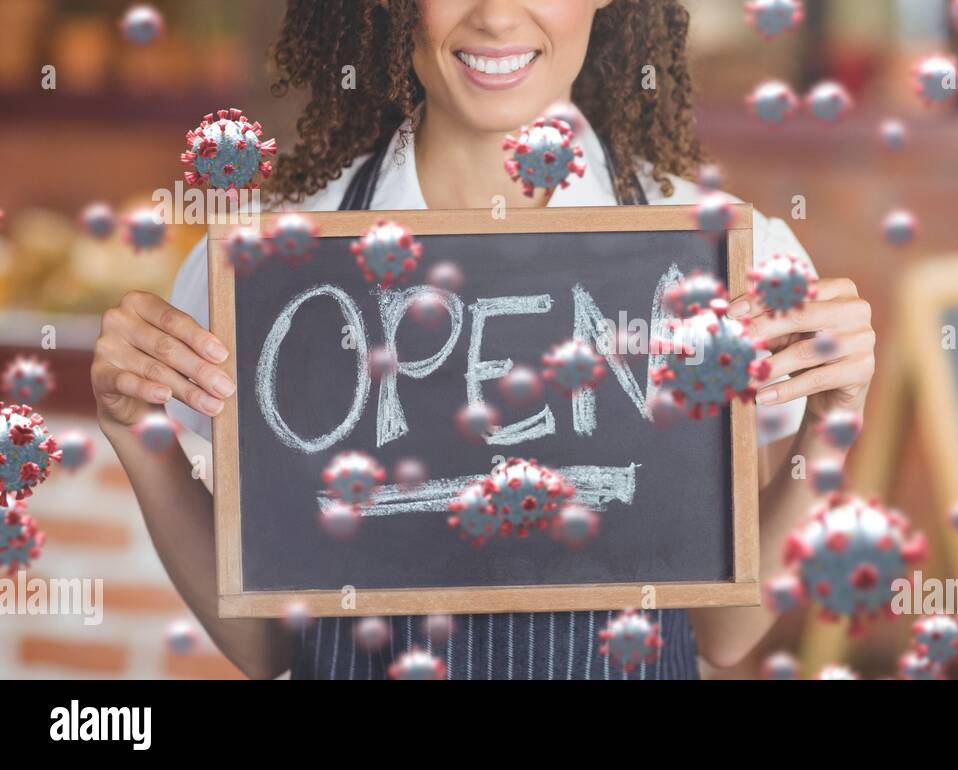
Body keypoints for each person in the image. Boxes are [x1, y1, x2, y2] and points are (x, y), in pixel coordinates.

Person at [91, 0, 875, 679]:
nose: (496, 16)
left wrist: (830, 424)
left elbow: (728, 633)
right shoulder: (262, 264)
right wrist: (141, 436)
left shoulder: (728, 259)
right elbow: (262, 648)